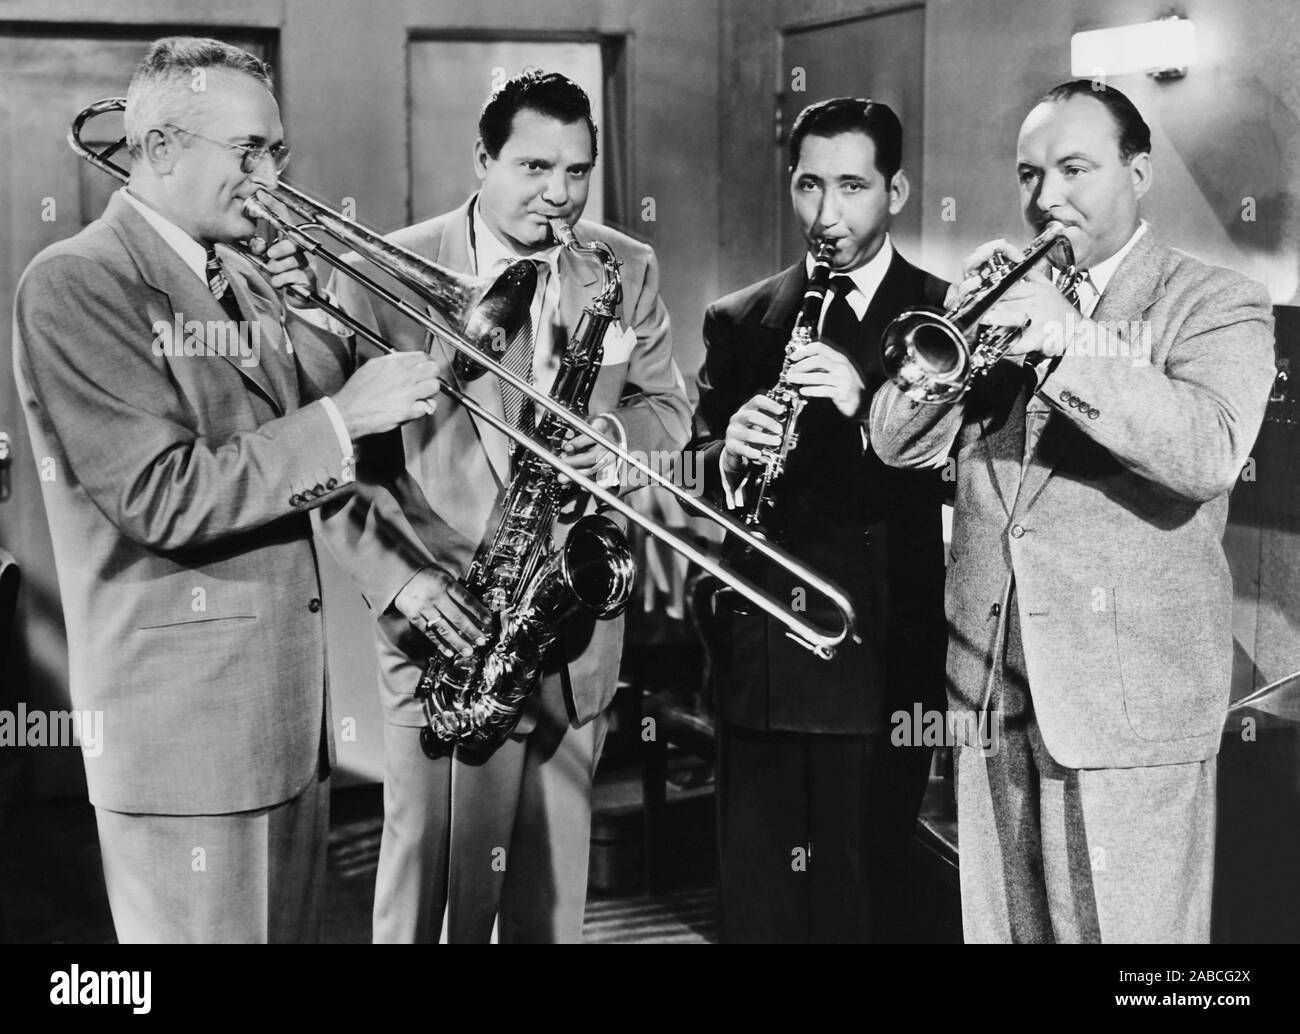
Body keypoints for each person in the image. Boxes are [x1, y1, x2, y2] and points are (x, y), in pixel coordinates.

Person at [11, 36, 442, 943]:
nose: (272, 176)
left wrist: (316, 318)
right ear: (159, 150)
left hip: (283, 724)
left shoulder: (235, 271)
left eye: (277, 151)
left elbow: (305, 416)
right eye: (249, 152)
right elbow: (163, 494)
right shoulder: (77, 282)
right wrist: (342, 420)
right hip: (185, 746)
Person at [869, 80, 1276, 943]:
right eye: (1028, 173)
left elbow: (1205, 452)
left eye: (1074, 169)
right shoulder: (1001, 302)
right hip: (989, 692)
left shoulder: (1214, 300)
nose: (1045, 198)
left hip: (1129, 704)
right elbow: (896, 445)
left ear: (1139, 172)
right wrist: (959, 334)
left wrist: (1066, 338)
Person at [319, 69, 690, 943]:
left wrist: (607, 433)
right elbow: (338, 466)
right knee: (429, 899)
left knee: (550, 906)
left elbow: (669, 412)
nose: (558, 196)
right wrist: (404, 585)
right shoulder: (386, 272)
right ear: (480, 160)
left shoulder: (622, 266)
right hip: (447, 624)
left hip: (570, 638)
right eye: (532, 168)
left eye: (577, 171)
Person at [687, 98, 948, 942]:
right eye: (809, 187)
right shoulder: (740, 318)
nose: (827, 215)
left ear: (897, 190)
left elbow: (963, 481)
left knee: (863, 896)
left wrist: (866, 404)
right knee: (759, 900)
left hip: (882, 660)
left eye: (852, 187)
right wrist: (728, 451)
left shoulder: (948, 320)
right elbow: (688, 470)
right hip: (762, 659)